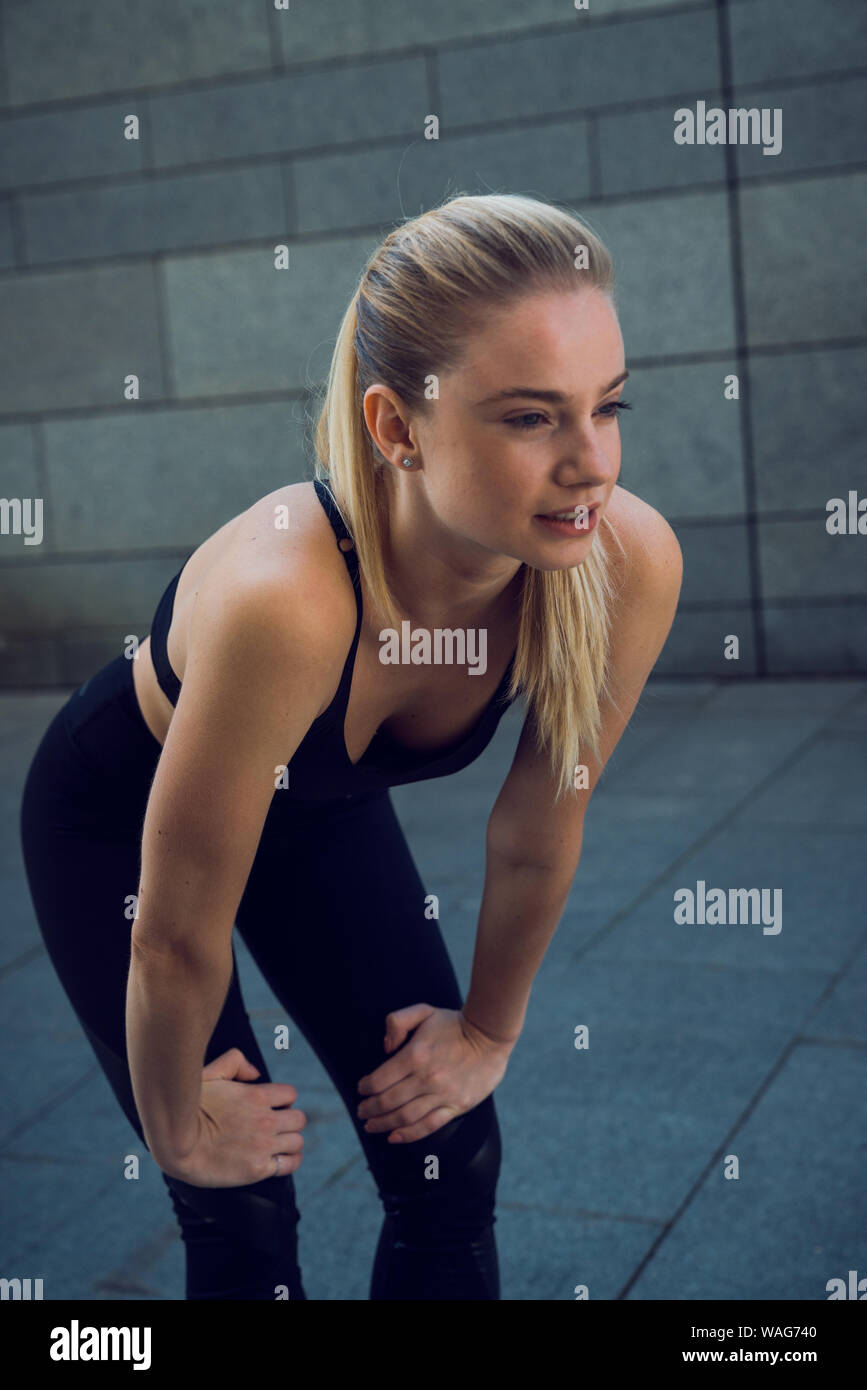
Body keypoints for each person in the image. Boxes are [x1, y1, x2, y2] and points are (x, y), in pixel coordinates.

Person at [19, 192, 682, 1301]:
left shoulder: (626, 563)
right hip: (119, 827)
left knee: (448, 1157)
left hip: (312, 808)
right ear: (396, 427)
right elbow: (173, 939)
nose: (590, 464)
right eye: (530, 418)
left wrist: (486, 1034)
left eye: (606, 407)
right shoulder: (291, 600)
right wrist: (176, 1124)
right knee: (240, 1201)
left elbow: (535, 830)